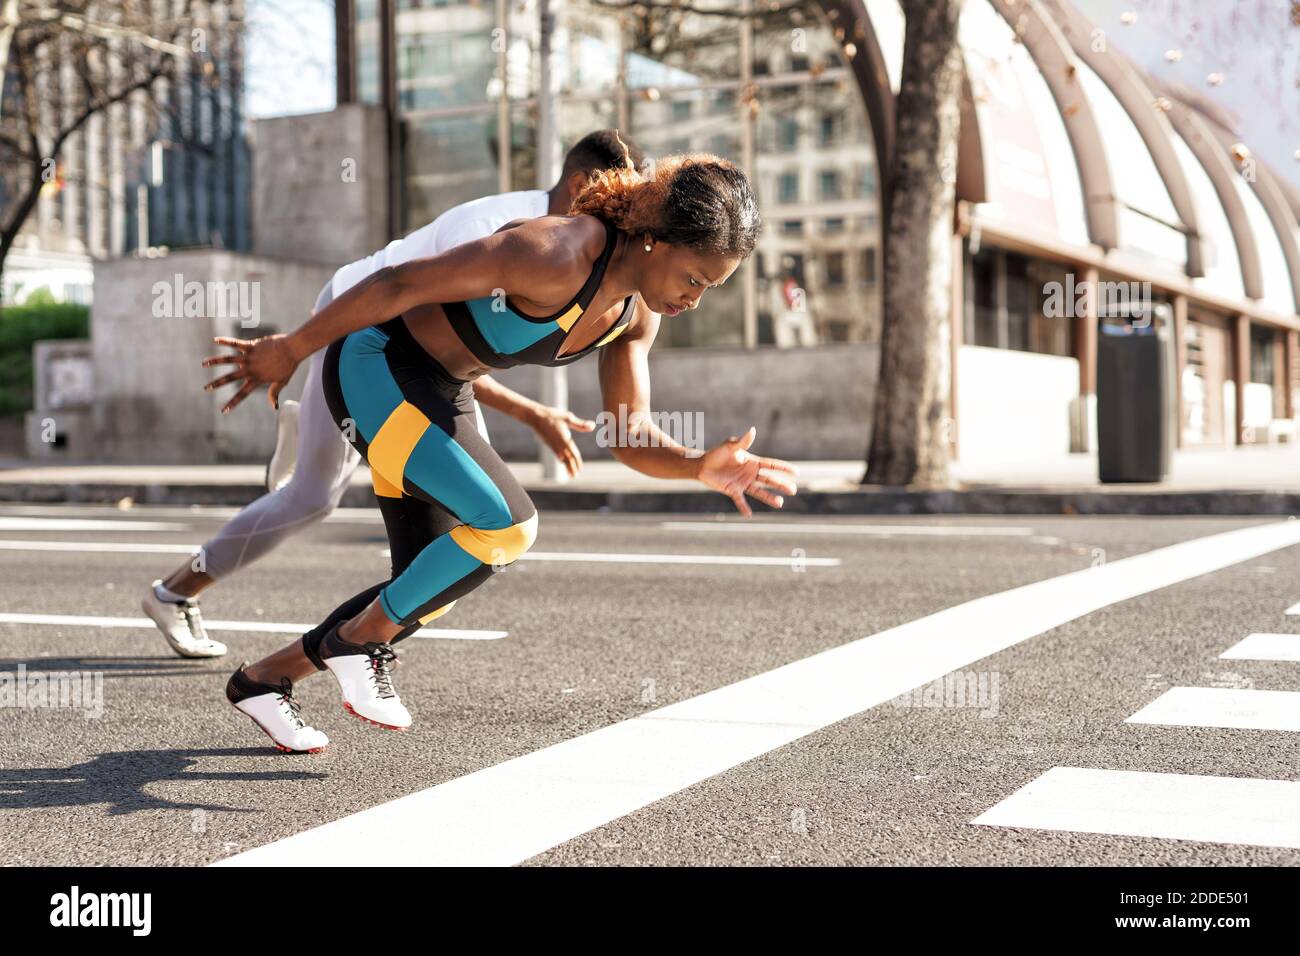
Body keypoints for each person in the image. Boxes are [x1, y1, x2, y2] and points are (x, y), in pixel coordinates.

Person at [206, 143, 799, 753]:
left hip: (439, 389)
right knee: (510, 527)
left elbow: (629, 434)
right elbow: (398, 282)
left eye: (711, 288)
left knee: (431, 577)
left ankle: (265, 680)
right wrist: (293, 347)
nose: (693, 300)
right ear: (655, 238)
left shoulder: (634, 315)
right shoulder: (554, 251)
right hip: (373, 366)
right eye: (694, 278)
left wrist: (698, 465)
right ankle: (356, 645)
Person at [141, 130, 644, 660]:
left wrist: (535, 412)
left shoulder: (581, 253)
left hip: (415, 361)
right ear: (585, 184)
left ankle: (354, 641)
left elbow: (458, 358)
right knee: (312, 498)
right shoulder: (511, 232)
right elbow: (418, 327)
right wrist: (291, 349)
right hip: (360, 325)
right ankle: (175, 593)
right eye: (621, 197)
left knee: (468, 515)